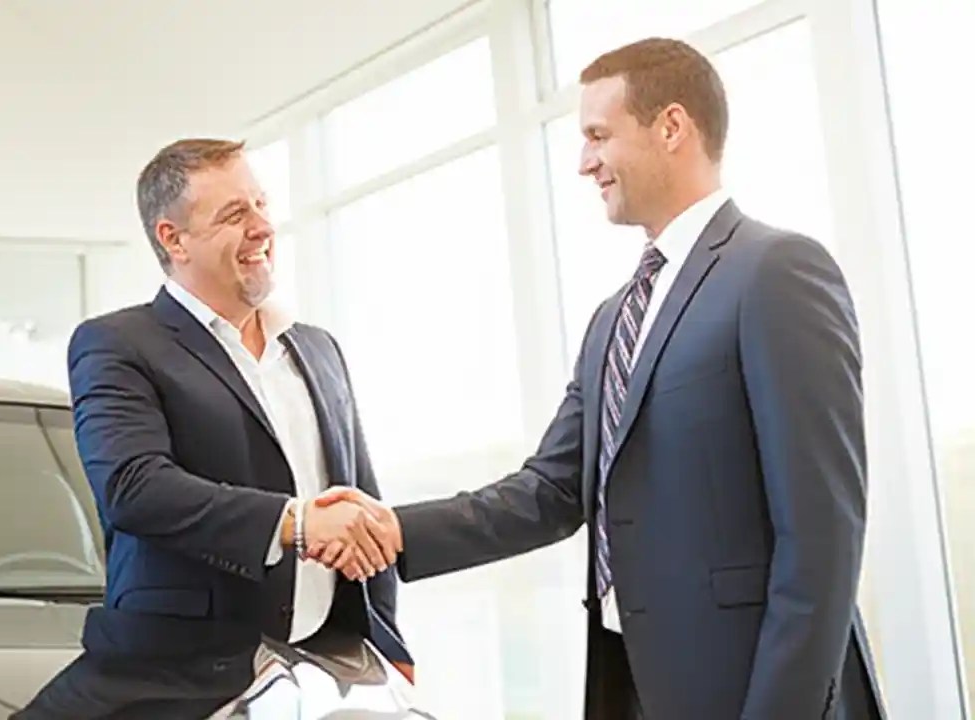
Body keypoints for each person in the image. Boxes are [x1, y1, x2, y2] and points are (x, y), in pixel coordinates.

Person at [314, 38, 886, 719]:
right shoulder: (613, 319)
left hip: (758, 688)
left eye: (597, 135)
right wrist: (390, 529)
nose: (585, 163)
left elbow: (823, 536)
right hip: (638, 682)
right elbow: (549, 491)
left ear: (671, 127)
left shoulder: (776, 270)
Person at [65, 138, 414, 705]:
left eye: (261, 205)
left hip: (329, 672)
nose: (261, 227)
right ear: (172, 238)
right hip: (183, 680)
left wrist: (389, 645)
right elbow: (135, 488)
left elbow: (360, 499)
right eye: (234, 214)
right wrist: (293, 523)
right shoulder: (116, 344)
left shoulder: (317, 348)